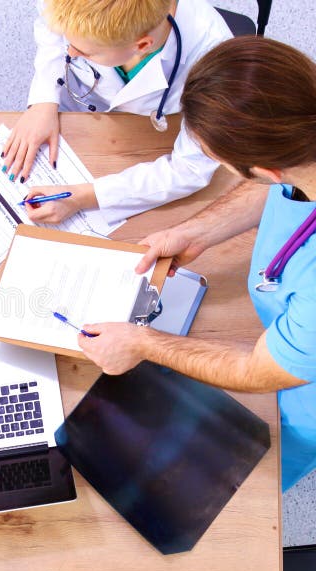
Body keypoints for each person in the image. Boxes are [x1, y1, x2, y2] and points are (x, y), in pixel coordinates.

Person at [77, 36, 316, 492]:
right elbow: (284, 177)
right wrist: (195, 231)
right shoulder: (304, 123)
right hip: (289, 333)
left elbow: (256, 372)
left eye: (224, 163)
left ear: (263, 169)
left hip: (301, 394)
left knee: (240, 488)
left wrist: (143, 344)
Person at [2, 0, 231, 225]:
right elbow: (50, 26)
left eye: (85, 51)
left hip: (148, 138)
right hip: (79, 112)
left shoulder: (213, 58)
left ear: (141, 46)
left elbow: (190, 169)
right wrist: (44, 99)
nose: (69, 51)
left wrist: (83, 198)